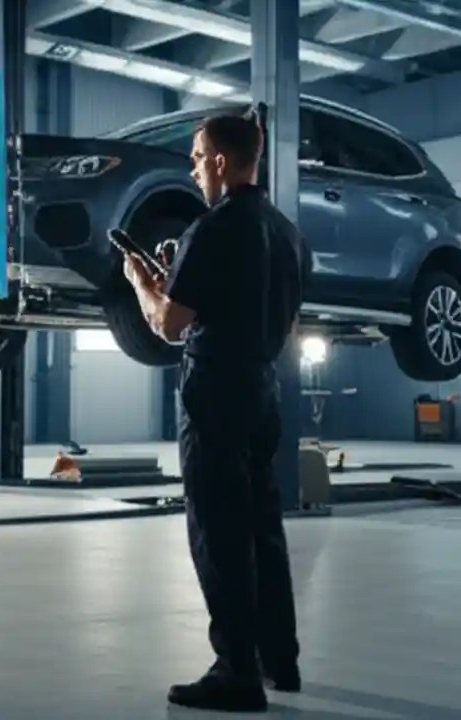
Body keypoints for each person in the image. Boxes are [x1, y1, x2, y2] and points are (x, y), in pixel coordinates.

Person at [122, 111, 309, 713]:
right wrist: (180, 280)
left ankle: (236, 673)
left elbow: (169, 325)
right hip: (263, 389)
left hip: (214, 393)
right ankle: (280, 660)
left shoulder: (212, 228)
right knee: (262, 527)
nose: (194, 168)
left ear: (222, 162)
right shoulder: (287, 234)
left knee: (219, 533)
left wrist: (142, 284)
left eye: (198, 157)